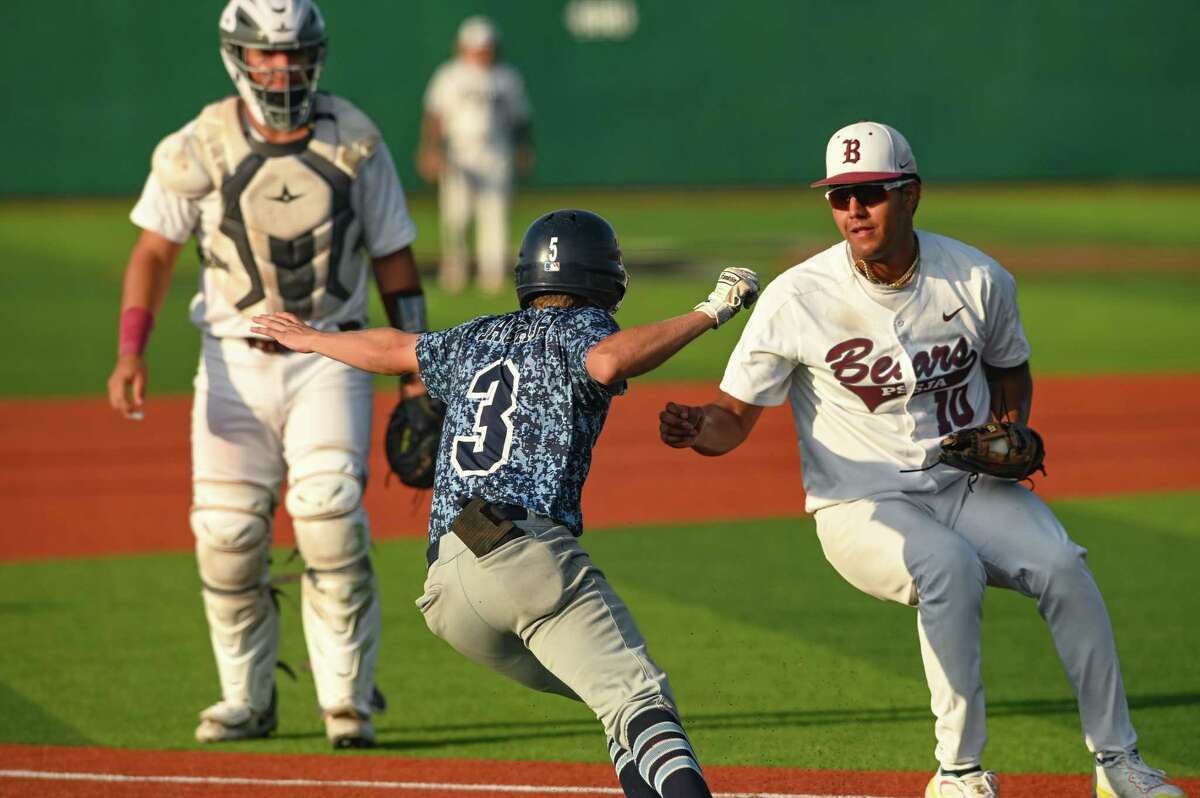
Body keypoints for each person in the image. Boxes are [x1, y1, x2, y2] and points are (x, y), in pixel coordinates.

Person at [658, 122, 1188, 798]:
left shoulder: (975, 277)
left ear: (910, 195)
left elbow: (1010, 373)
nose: (853, 210)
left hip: (964, 485)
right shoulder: (799, 297)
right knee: (948, 567)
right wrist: (694, 428)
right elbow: (731, 419)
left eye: (870, 193)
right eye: (839, 196)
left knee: (1063, 564)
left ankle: (1118, 762)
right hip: (858, 505)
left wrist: (1010, 428)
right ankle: (958, 773)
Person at [251, 209, 759, 798]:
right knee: (639, 700)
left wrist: (312, 339)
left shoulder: (477, 336)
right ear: (606, 279)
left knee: (618, 703)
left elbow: (394, 349)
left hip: (447, 587)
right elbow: (609, 361)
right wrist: (713, 309)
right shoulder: (583, 329)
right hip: (522, 556)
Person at [104, 0, 438, 748]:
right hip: (230, 360)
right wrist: (132, 347)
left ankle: (348, 702)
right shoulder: (200, 143)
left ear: (315, 54)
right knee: (224, 537)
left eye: (294, 53)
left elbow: (394, 258)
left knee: (327, 517)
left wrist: (415, 367)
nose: (281, 68)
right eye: (266, 54)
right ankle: (246, 700)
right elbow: (154, 252)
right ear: (238, 57)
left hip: (329, 356)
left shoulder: (357, 140)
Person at [416, 15, 534, 295]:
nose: (483, 52)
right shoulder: (450, 75)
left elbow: (521, 118)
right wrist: (430, 149)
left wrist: (523, 148)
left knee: (495, 215)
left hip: (496, 152)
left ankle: (492, 275)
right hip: (460, 152)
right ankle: (454, 271)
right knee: (456, 216)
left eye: (487, 46)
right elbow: (435, 115)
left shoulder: (506, 78)